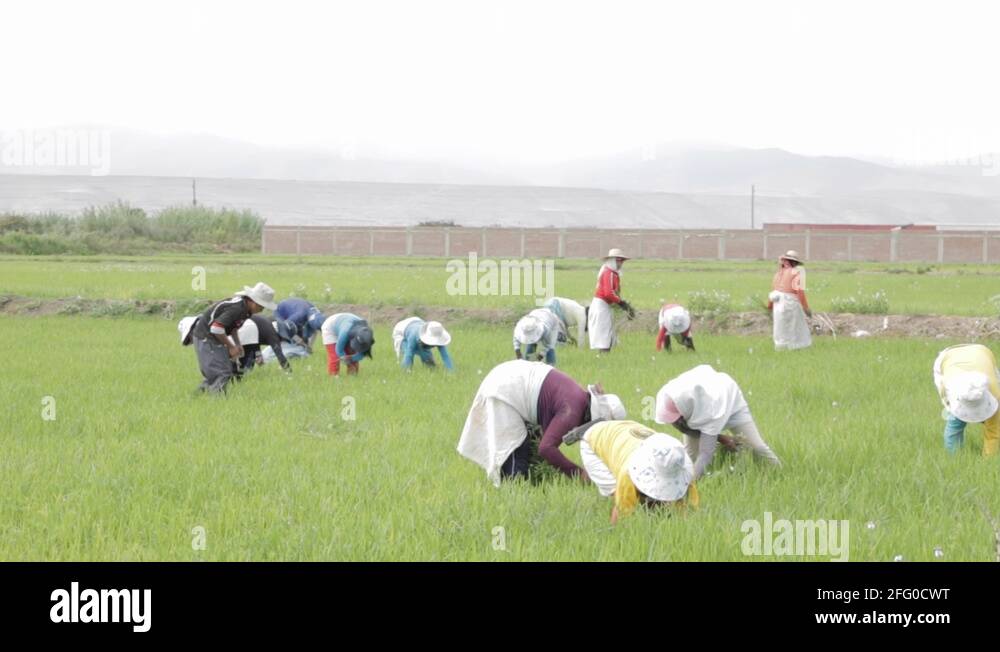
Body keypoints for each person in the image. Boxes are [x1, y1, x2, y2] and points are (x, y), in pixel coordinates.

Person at [457, 360, 626, 485]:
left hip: (508, 378)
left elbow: (556, 434)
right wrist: (579, 474)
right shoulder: (573, 410)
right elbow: (546, 448)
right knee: (516, 449)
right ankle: (514, 491)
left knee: (528, 443)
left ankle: (522, 486)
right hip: (506, 390)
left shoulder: (579, 398)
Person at [654, 364, 781, 480]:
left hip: (731, 402)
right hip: (704, 402)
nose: (675, 423)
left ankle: (778, 472)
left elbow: (706, 453)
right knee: (690, 456)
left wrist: (691, 482)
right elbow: (691, 431)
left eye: (677, 418)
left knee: (757, 446)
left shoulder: (710, 410)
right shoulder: (674, 396)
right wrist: (723, 438)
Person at [564, 420, 698, 524]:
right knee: (619, 492)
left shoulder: (678, 462)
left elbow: (689, 510)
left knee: (657, 498)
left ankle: (654, 523)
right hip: (595, 440)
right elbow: (622, 510)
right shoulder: (628, 472)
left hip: (625, 430)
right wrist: (617, 539)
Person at [188, 282, 277, 393]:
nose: (262, 310)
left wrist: (237, 344)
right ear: (253, 301)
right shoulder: (237, 308)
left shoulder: (245, 310)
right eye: (261, 306)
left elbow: (233, 327)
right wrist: (230, 347)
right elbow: (216, 328)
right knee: (221, 372)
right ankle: (216, 402)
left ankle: (199, 398)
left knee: (220, 371)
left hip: (214, 337)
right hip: (206, 337)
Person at [933, 343, 1000, 456]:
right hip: (947, 357)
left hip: (982, 353)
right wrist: (954, 462)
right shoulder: (949, 388)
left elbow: (994, 432)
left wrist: (989, 459)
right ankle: (953, 456)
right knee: (955, 421)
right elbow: (952, 429)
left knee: (994, 422)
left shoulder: (995, 394)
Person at [588, 248, 636, 352]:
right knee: (603, 335)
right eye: (619, 260)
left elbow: (614, 293)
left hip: (605, 305)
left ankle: (604, 358)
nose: (621, 263)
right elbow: (609, 293)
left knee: (605, 334)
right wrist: (622, 304)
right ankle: (603, 358)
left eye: (622, 261)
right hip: (601, 306)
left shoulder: (612, 273)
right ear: (612, 260)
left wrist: (622, 304)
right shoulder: (608, 273)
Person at [768, 250, 812, 351]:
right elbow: (800, 292)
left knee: (780, 327)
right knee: (795, 326)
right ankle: (795, 348)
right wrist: (806, 308)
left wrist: (769, 307)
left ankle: (781, 347)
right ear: (794, 263)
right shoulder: (797, 272)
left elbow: (773, 293)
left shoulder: (777, 275)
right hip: (790, 302)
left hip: (777, 304)